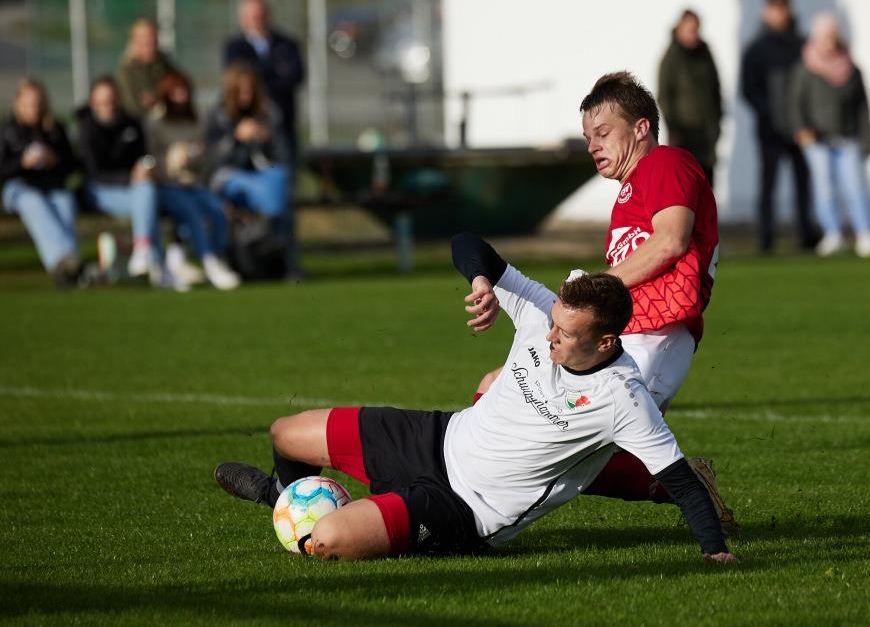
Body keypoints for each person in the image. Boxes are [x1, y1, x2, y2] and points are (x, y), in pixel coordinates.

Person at [214, 232, 737, 564]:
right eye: (553, 323)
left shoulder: (623, 397)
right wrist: (484, 280)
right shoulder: (543, 313)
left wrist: (715, 553)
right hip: (436, 436)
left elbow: (682, 482)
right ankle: (279, 496)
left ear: (604, 343)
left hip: (464, 508)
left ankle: (324, 514)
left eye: (565, 333)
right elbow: (466, 242)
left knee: (328, 539)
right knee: (286, 433)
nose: (550, 336)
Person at [470, 72, 735, 534]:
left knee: (558, 440)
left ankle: (467, 505)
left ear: (641, 128)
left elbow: (671, 242)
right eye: (587, 137)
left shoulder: (666, 162)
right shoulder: (633, 190)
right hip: (624, 333)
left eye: (603, 132)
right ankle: (466, 479)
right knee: (498, 387)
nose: (592, 146)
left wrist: (592, 287)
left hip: (656, 334)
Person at [75, 75, 184, 289]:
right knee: (146, 199)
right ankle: (156, 261)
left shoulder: (132, 123)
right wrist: (129, 177)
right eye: (103, 101)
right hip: (99, 191)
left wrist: (146, 167)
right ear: (94, 103)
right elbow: (94, 173)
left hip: (134, 190)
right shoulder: (87, 129)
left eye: (111, 100)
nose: (108, 105)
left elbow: (144, 156)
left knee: (148, 193)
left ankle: (147, 254)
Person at [790, 13, 870, 258]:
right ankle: (833, 233)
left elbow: (863, 108)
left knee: (855, 186)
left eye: (832, 35)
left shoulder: (851, 69)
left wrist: (867, 140)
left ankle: (865, 233)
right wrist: (802, 130)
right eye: (824, 36)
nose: (829, 41)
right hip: (817, 140)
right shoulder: (805, 68)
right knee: (824, 189)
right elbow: (796, 103)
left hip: (847, 136)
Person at [147, 71, 241, 289]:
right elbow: (150, 159)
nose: (181, 97)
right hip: (166, 186)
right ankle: (208, 261)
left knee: (218, 210)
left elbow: (207, 158)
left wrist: (197, 155)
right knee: (193, 213)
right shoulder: (155, 123)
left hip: (193, 183)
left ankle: (217, 257)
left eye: (184, 92)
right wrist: (172, 159)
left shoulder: (196, 122)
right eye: (176, 93)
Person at [740, 0, 818, 253]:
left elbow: (812, 87)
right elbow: (748, 89)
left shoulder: (803, 46)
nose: (780, 14)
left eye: (784, 8)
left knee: (803, 182)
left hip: (800, 128)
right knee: (768, 184)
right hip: (770, 129)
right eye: (775, 9)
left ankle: (807, 233)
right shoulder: (756, 49)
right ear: (766, 12)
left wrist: (805, 119)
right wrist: (770, 115)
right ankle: (766, 237)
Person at [204, 62, 294, 278]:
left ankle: (280, 250)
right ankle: (268, 238)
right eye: (241, 90)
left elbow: (281, 158)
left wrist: (266, 139)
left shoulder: (268, 114)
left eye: (251, 90)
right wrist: (235, 138)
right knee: (263, 192)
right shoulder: (217, 116)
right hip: (227, 177)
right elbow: (211, 160)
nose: (247, 95)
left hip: (261, 177)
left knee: (280, 178)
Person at [0, 78, 81, 286]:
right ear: (18, 103)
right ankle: (67, 260)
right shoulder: (8, 130)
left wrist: (55, 160)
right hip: (19, 188)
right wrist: (22, 162)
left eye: (37, 103)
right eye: (28, 104)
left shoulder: (55, 129)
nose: (33, 109)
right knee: (34, 202)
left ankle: (66, 270)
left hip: (52, 186)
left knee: (65, 202)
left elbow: (73, 165)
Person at [223, 0, 304, 161]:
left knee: (285, 166)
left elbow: (295, 77)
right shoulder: (234, 47)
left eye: (260, 15)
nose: (256, 20)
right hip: (247, 123)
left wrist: (258, 76)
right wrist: (274, 72)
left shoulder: (287, 44)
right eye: (252, 16)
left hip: (283, 121)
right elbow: (236, 78)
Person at [657, 9, 723, 186]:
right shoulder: (671, 58)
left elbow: (715, 87)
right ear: (680, 28)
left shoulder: (705, 53)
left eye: (696, 30)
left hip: (707, 134)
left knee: (706, 183)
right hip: (684, 135)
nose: (694, 34)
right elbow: (664, 96)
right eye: (690, 30)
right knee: (684, 183)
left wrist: (717, 120)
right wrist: (673, 127)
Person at [116, 18, 182, 119]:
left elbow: (181, 87)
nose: (151, 45)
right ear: (134, 42)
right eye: (145, 40)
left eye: (153, 40)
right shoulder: (126, 71)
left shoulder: (164, 63)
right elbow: (132, 107)